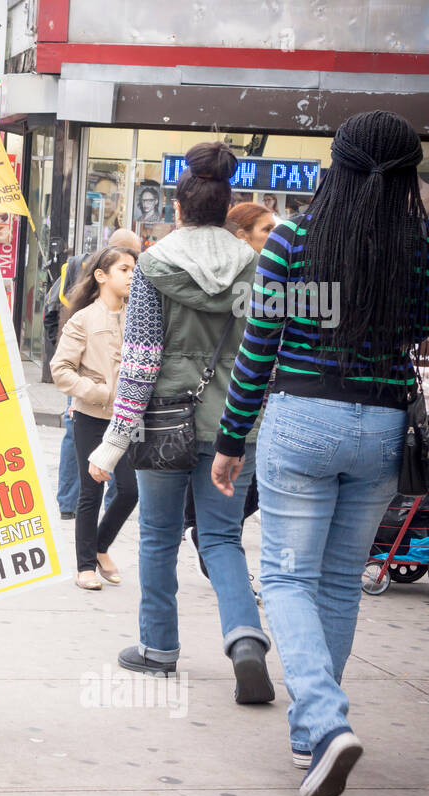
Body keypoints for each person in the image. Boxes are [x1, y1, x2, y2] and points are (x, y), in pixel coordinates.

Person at [211, 110, 429, 796]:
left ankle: (324, 720)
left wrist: (232, 441)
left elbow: (260, 342)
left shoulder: (292, 237)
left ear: (337, 165)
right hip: (382, 423)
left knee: (286, 578)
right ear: (409, 173)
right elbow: (419, 329)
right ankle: (309, 736)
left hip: (301, 417)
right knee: (342, 583)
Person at [89, 141, 273, 706]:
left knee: (159, 534)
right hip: (233, 425)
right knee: (221, 536)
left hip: (161, 424)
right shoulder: (256, 266)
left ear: (178, 208)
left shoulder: (153, 265)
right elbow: (266, 351)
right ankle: (245, 637)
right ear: (226, 210)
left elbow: (142, 360)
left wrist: (113, 443)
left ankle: (159, 649)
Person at [181, 200, 276, 576]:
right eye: (266, 230)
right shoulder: (244, 284)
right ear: (241, 237)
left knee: (237, 498)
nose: (275, 237)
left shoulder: (270, 282)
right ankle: (212, 539)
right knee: (232, 499)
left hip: (250, 403)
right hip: (231, 405)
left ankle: (209, 535)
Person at [51, 245, 140, 590]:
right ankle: (85, 565)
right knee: (91, 492)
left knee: (130, 491)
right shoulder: (83, 318)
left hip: (129, 419)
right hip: (91, 415)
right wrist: (101, 393)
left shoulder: (139, 315)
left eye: (134, 269)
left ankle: (101, 546)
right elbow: (61, 370)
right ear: (102, 276)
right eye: (124, 269)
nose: (132, 275)